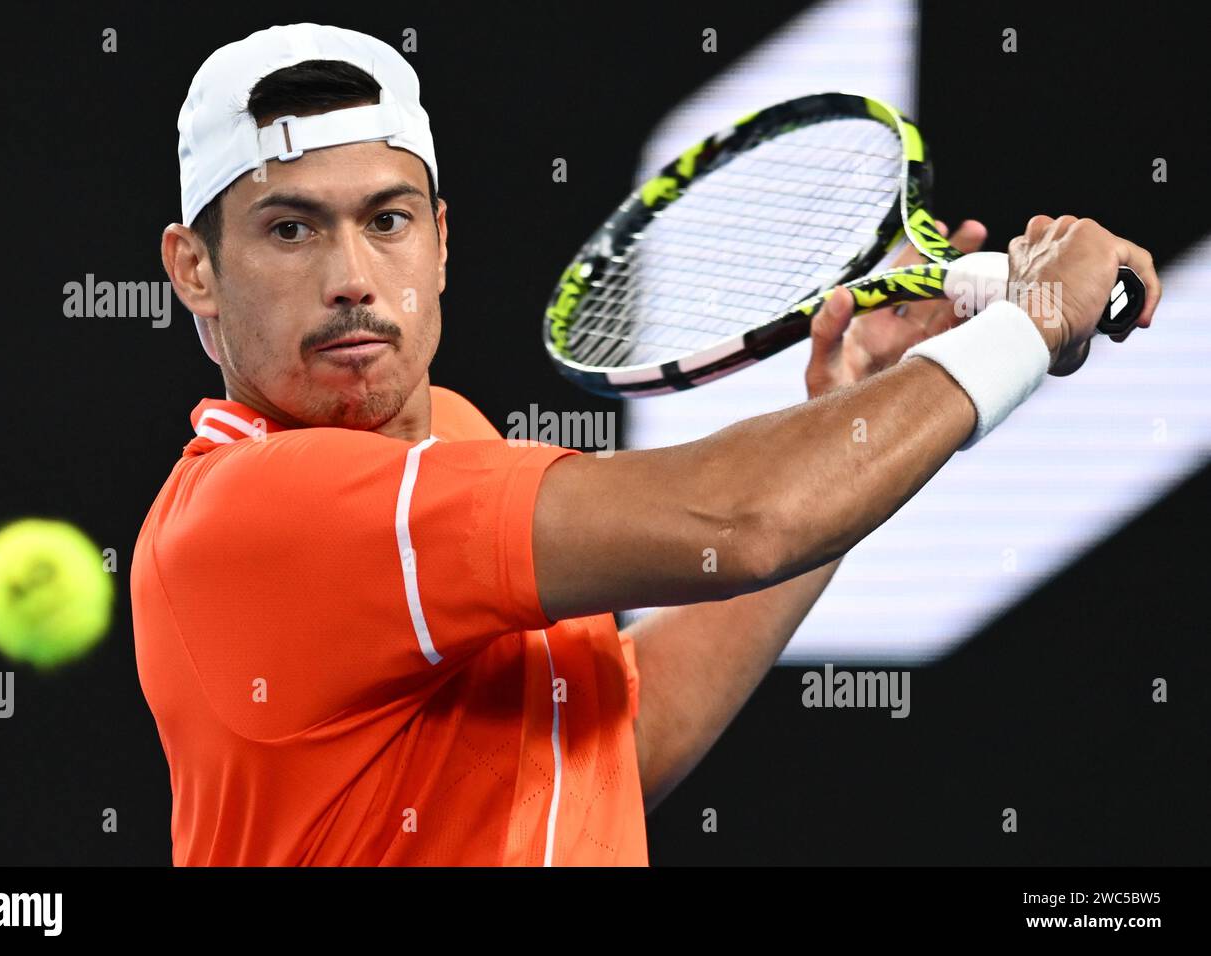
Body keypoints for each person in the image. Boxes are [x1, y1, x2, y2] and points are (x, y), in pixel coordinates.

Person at [132, 23, 1160, 866]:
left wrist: (866, 402)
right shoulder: (255, 516)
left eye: (387, 220)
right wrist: (1023, 326)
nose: (353, 274)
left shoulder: (447, 434)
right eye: (290, 229)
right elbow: (742, 519)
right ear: (195, 269)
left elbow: (604, 742)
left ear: (442, 240)